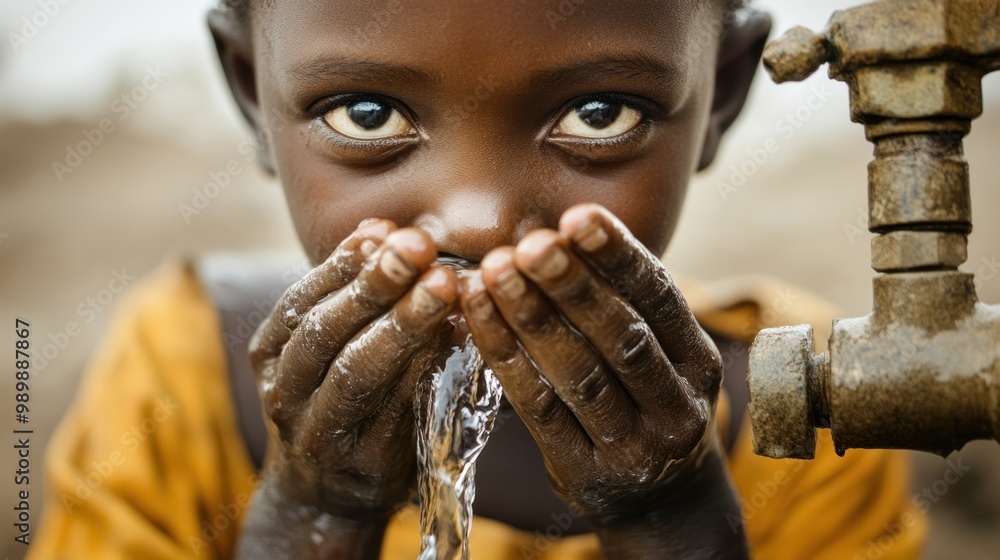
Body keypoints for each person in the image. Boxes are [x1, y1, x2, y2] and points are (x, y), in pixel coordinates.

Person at [28, 0, 927, 558]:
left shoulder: (803, 412)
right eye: (368, 112)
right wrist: (314, 513)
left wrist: (675, 513)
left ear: (723, 93)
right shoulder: (180, 376)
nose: (480, 220)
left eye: (599, 112)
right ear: (251, 90)